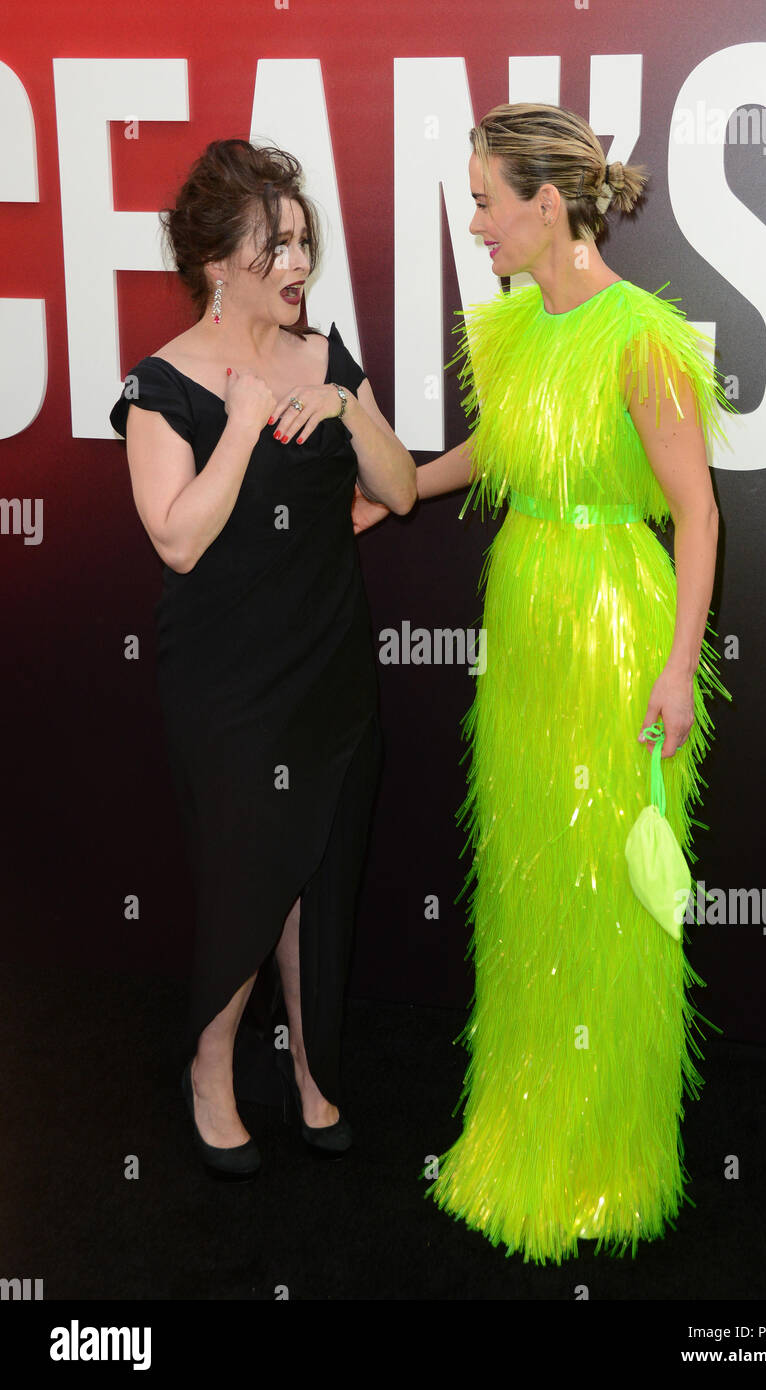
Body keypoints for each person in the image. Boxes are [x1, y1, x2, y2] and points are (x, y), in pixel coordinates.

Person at [353, 103, 733, 1261]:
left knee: (604, 891)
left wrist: (675, 668)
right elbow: (497, 449)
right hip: (523, 616)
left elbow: (698, 511)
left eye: (483, 201)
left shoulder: (640, 338)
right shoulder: (514, 333)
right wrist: (403, 487)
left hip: (616, 621)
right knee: (524, 877)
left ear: (546, 206)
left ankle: (602, 1162)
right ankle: (520, 1127)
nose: (472, 224)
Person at [110, 139, 416, 1179]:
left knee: (316, 872)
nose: (296, 262)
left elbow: (401, 487)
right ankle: (210, 1063)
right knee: (253, 873)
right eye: (273, 244)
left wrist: (343, 404)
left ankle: (311, 1068)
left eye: (300, 240)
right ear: (216, 263)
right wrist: (241, 426)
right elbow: (179, 537)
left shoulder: (325, 354)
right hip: (229, 688)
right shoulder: (161, 388)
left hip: (327, 663)